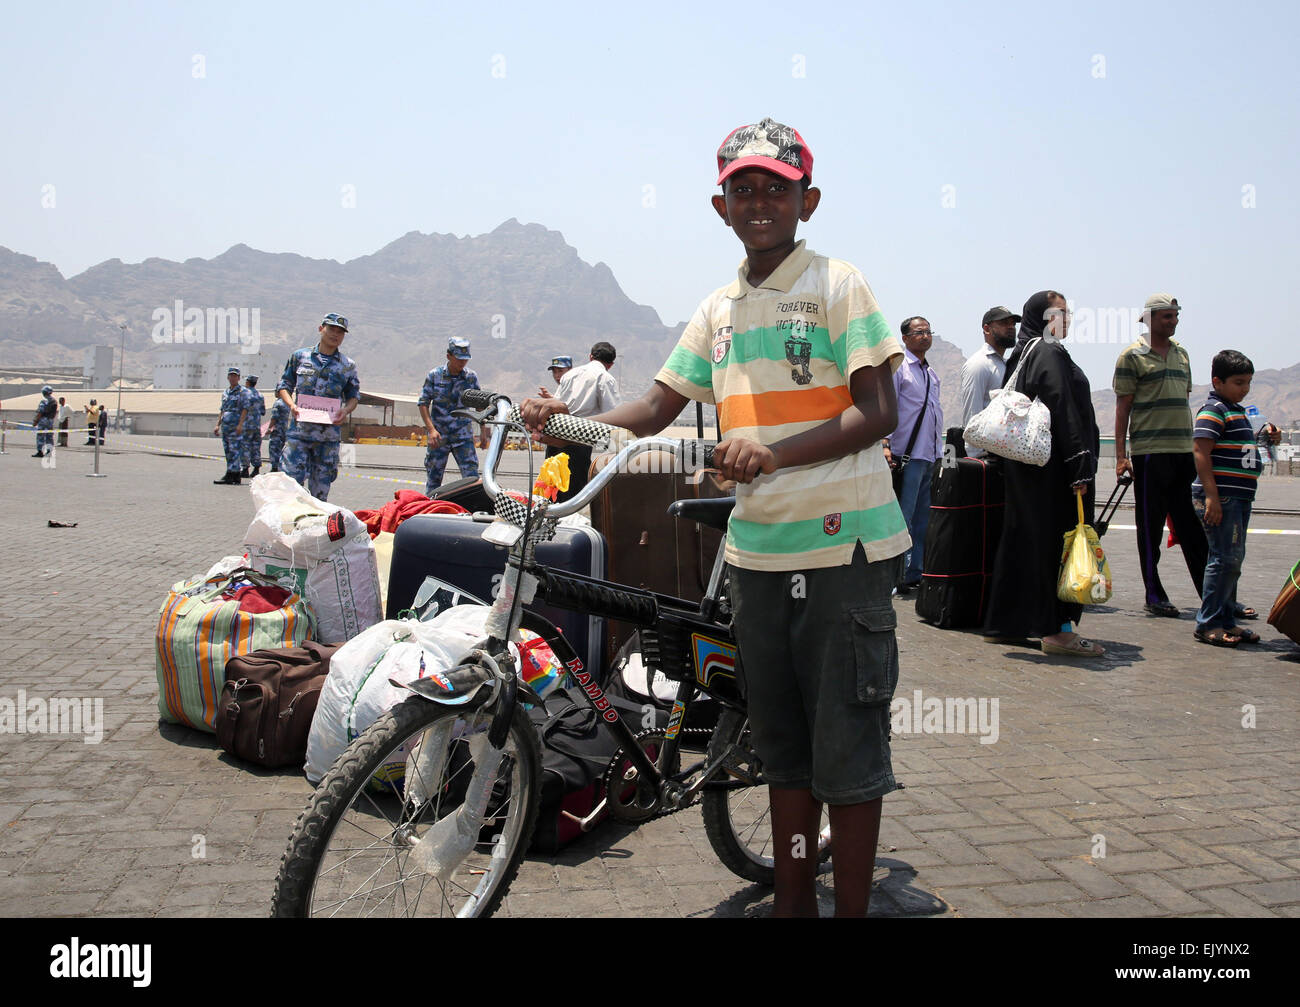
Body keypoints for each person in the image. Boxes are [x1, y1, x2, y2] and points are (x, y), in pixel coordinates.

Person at [522, 117, 908, 918]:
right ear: (719, 205)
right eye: (744, 188)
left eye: (777, 186)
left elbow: (876, 412)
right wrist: (566, 423)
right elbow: (656, 408)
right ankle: (793, 902)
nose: (760, 200)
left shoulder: (838, 284)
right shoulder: (718, 310)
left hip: (846, 552)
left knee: (848, 754)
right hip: (761, 555)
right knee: (786, 756)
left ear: (810, 198)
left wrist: (769, 451)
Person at [983, 290, 1104, 657]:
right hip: (1053, 473)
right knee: (1058, 546)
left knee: (1023, 542)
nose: (1066, 319)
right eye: (1059, 312)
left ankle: (1006, 622)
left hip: (1027, 471)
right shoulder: (1049, 352)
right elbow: (1063, 408)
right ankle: (1058, 632)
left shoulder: (1023, 352)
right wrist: (1079, 465)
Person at [1113, 294, 1208, 618]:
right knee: (1150, 527)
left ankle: (1211, 595)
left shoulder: (1182, 354)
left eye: (1175, 316)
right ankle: (1153, 594)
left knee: (1191, 528)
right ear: (1150, 319)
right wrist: (1121, 456)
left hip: (1182, 452)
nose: (1173, 321)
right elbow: (1123, 407)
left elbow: (1182, 400)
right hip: (1151, 453)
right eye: (1166, 316)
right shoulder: (1131, 357)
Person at [1191, 351, 1272, 646]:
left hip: (1238, 498)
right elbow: (1201, 452)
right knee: (1224, 559)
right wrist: (1211, 496)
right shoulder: (1214, 410)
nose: (1245, 388)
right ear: (1217, 381)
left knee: (1232, 560)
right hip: (1222, 498)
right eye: (1238, 382)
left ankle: (1226, 619)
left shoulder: (1237, 411)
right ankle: (1208, 623)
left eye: (1248, 382)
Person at [882, 317, 942, 593]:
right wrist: (885, 444)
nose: (925, 336)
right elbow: (888, 406)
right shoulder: (899, 369)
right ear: (905, 338)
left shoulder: (931, 374)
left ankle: (913, 573)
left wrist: (938, 453)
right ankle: (894, 575)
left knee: (922, 519)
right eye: (919, 332)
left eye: (928, 332)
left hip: (928, 456)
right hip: (905, 456)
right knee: (901, 518)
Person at [276, 313, 361, 501]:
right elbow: (284, 386)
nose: (335, 335)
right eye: (331, 329)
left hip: (327, 439)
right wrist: (292, 405)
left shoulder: (347, 366)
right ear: (321, 328)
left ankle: (315, 527)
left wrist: (345, 410)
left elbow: (354, 396)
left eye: (341, 332)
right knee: (290, 489)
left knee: (320, 494)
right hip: (299, 435)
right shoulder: (300, 357)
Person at [546, 343, 622, 502]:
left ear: (590, 356)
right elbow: (613, 413)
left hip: (555, 436)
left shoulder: (570, 375)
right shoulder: (605, 378)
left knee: (551, 486)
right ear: (611, 364)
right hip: (579, 439)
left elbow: (557, 403)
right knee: (574, 492)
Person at [418, 338, 489, 496]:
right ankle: (431, 512)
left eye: (465, 359)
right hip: (439, 436)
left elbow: (480, 406)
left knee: (471, 478)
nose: (462, 363)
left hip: (462, 436)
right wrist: (431, 430)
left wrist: (484, 432)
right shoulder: (435, 376)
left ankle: (473, 510)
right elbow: (423, 403)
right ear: (449, 356)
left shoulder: (471, 377)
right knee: (434, 479)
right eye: (459, 359)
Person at [959, 306, 1021, 449]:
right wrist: (977, 458)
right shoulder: (979, 364)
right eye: (1004, 323)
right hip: (986, 455)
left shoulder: (1005, 364)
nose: (1011, 327)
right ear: (987, 329)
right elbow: (972, 415)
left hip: (1005, 451)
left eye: (1012, 323)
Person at [212, 365, 248, 484]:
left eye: (235, 376)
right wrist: (217, 425)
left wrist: (240, 424)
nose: (233, 378)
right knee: (228, 451)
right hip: (226, 426)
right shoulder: (225, 392)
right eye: (231, 375)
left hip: (235, 426)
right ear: (228, 377)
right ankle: (232, 474)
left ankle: (233, 474)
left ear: (239, 378)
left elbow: (245, 409)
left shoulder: (243, 391)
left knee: (235, 451)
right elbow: (222, 410)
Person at [240, 374, 266, 478]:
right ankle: (256, 469)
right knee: (256, 447)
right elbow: (263, 412)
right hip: (256, 426)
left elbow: (241, 409)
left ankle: (245, 468)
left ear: (247, 382)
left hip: (246, 425)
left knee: (245, 446)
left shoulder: (244, 393)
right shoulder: (260, 395)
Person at [266, 395, 291, 472]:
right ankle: (280, 468)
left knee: (274, 448)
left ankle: (274, 468)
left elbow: (274, 417)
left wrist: (269, 428)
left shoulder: (278, 403)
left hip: (277, 430)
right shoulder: (287, 403)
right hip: (284, 429)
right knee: (281, 449)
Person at [32, 385, 56, 458]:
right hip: (50, 420)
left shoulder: (44, 401)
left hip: (43, 420)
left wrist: (36, 421)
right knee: (49, 436)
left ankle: (40, 451)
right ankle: (49, 451)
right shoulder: (54, 401)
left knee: (40, 436)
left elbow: (40, 412)